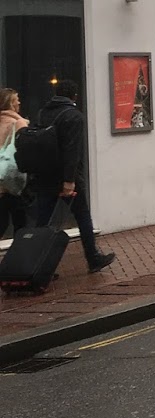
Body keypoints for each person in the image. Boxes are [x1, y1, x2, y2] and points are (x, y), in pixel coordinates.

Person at [31, 80, 114, 274]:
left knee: (43, 222)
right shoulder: (73, 116)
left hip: (44, 176)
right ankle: (93, 258)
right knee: (83, 216)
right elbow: (72, 151)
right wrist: (69, 180)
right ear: (74, 96)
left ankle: (38, 266)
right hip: (67, 178)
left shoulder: (43, 113)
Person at [0, 85, 28, 239]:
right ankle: (18, 259)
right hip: (11, 180)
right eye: (17, 100)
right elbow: (27, 149)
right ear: (11, 104)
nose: (19, 103)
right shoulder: (17, 123)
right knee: (20, 224)